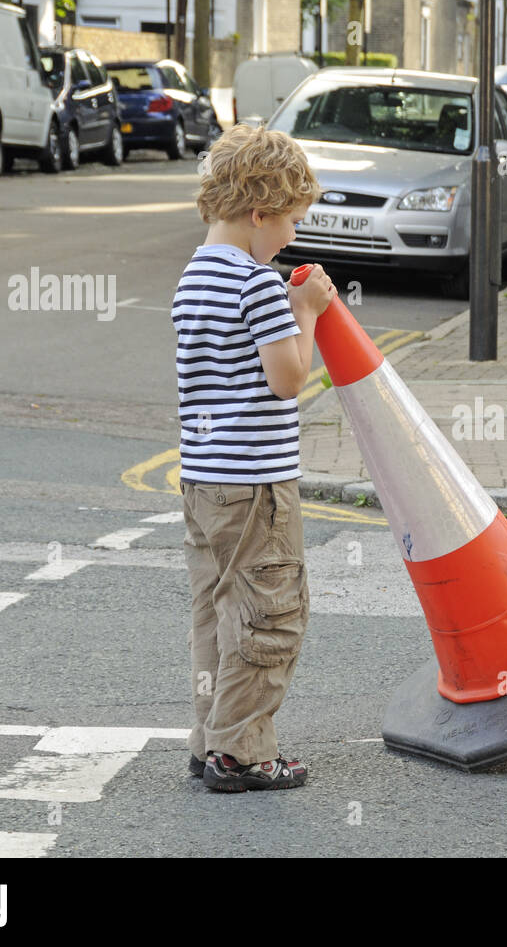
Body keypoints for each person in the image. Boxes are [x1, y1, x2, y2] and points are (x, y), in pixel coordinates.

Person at [173, 124, 337, 791]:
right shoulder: (259, 286)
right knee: (270, 614)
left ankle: (209, 734)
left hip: (205, 482)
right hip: (256, 487)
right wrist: (310, 311)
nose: (293, 237)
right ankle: (241, 751)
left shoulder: (193, 276)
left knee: (216, 610)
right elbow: (288, 378)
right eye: (291, 221)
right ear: (259, 212)